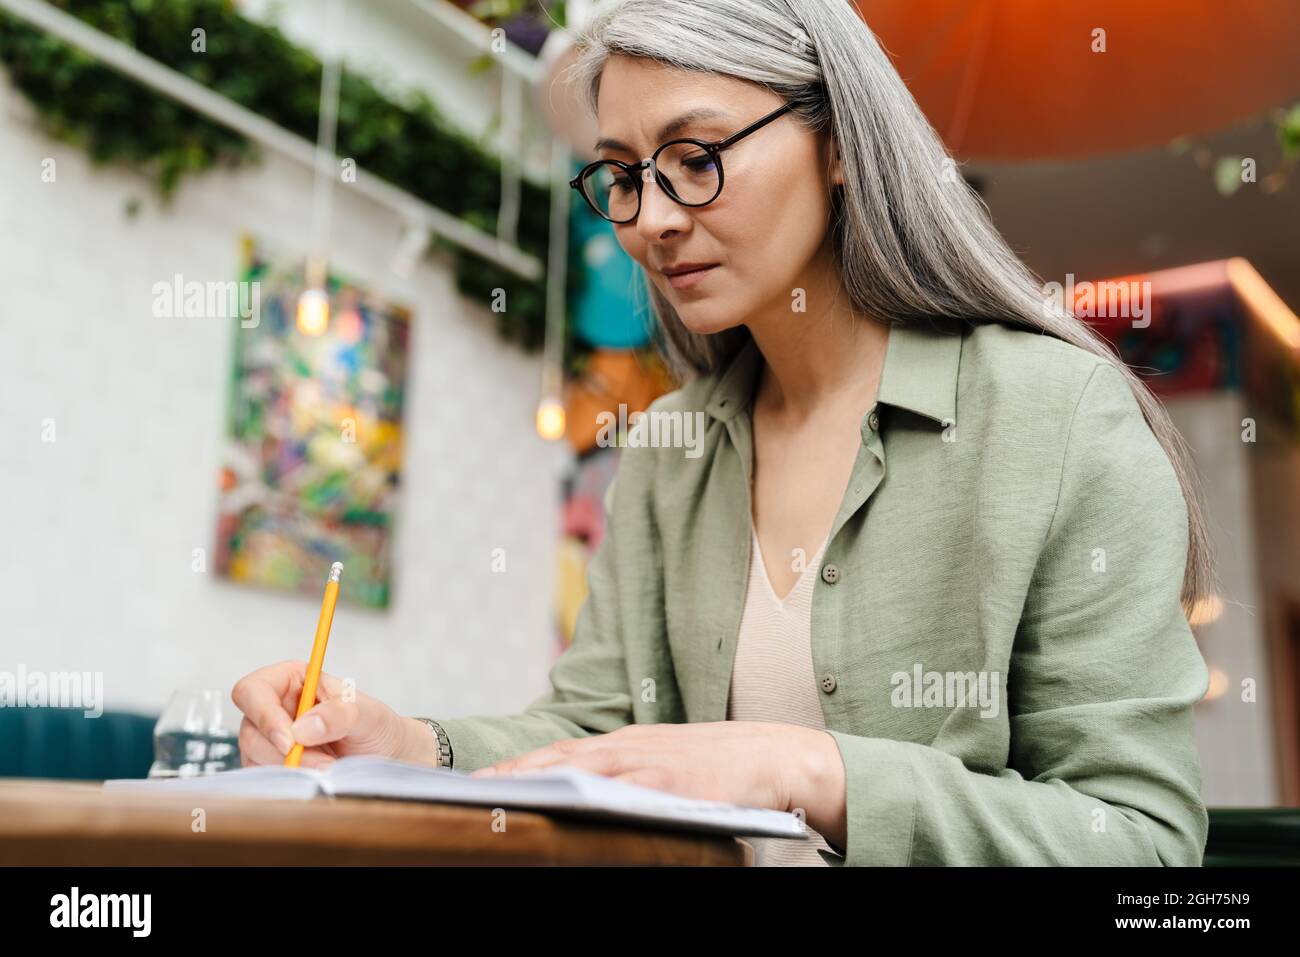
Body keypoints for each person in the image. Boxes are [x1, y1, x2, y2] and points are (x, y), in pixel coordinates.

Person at [233, 0, 1214, 866]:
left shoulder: (1058, 415)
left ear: (838, 142)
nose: (651, 220)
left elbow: (1137, 839)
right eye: (618, 175)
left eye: (694, 159)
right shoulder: (669, 450)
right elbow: (594, 727)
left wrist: (807, 769)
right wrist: (409, 748)